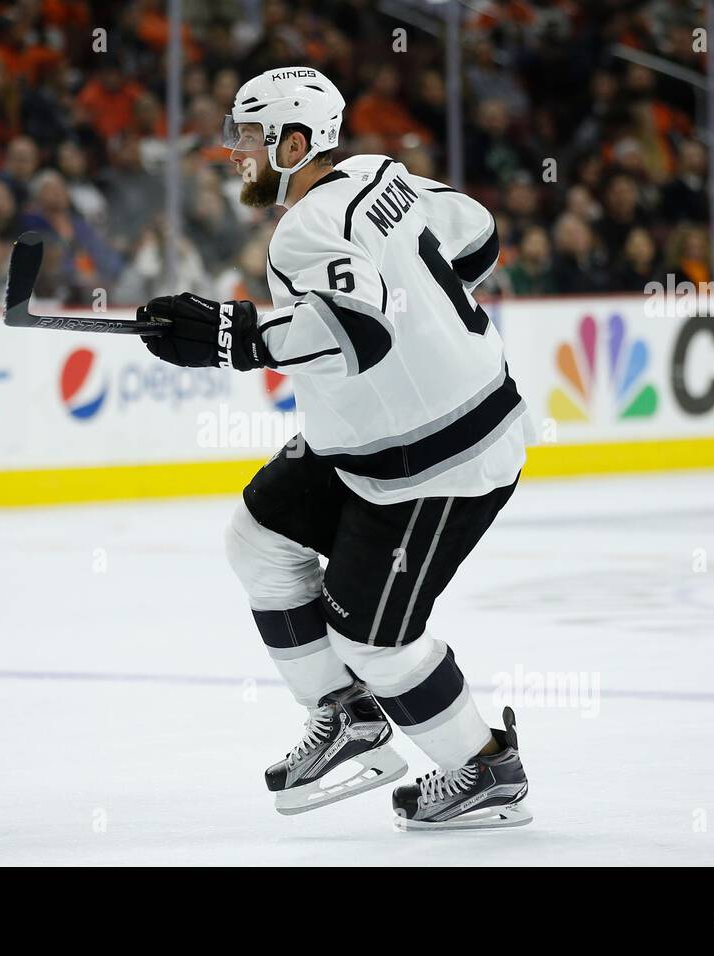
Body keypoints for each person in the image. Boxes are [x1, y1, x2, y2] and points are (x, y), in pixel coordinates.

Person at [135, 67, 533, 831]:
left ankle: (485, 769)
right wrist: (433, 323)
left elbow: (360, 329)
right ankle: (346, 716)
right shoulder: (380, 176)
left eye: (248, 137)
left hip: (438, 462)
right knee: (259, 541)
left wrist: (233, 336)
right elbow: (476, 234)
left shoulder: (304, 229)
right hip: (376, 441)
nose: (235, 152)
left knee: (373, 640)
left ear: (292, 143)